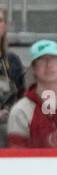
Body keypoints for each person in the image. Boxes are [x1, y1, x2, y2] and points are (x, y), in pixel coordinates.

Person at [0, 8, 25, 143]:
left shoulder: (13, 61)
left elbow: (22, 98)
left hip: (8, 125)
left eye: (0, 20)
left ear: (4, 27)